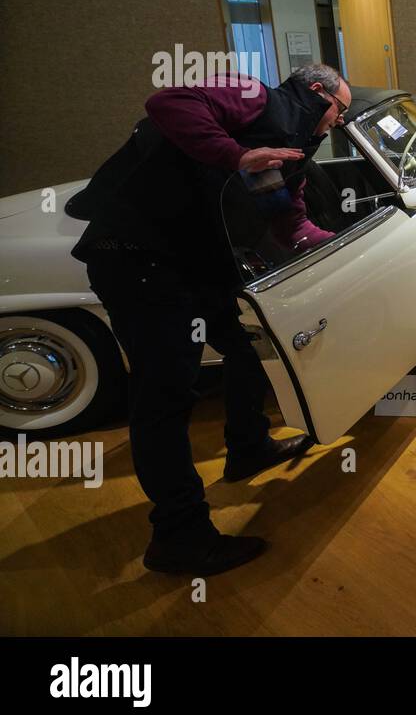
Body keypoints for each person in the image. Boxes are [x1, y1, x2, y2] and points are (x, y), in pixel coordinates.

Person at [68, 63, 351, 576]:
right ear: (316, 93)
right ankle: (179, 537)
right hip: (137, 257)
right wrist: (237, 155)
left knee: (246, 348)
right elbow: (169, 103)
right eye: (339, 110)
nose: (338, 123)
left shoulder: (287, 150)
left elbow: (292, 224)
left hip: (190, 261)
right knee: (165, 394)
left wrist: (348, 248)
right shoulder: (257, 97)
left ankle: (248, 447)